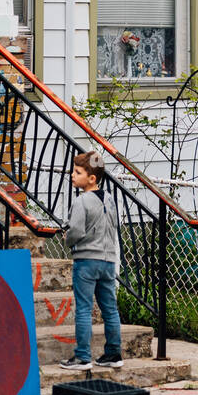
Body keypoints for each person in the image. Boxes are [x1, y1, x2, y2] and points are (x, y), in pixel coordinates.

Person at [58, 150, 123, 371]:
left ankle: (83, 357)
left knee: (84, 309)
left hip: (86, 260)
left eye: (77, 172)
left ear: (91, 178)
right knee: (110, 309)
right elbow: (114, 226)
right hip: (107, 261)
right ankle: (114, 353)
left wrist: (68, 239)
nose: (72, 176)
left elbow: (76, 229)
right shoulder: (110, 200)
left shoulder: (81, 201)